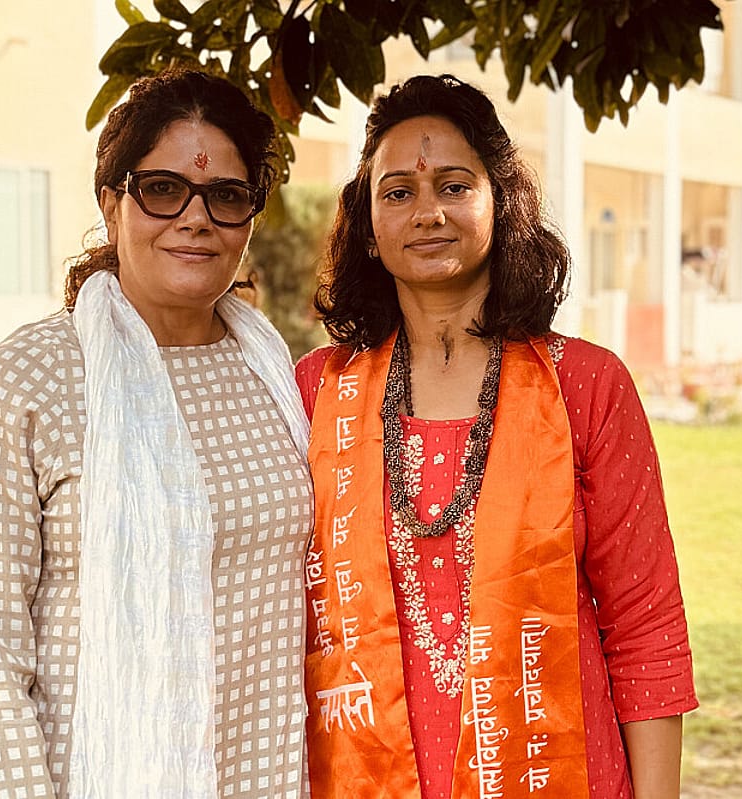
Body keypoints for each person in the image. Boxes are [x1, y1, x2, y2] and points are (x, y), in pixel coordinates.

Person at [295, 74, 697, 799]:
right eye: (398, 193)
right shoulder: (316, 390)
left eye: (454, 186)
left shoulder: (586, 386)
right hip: (357, 772)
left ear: (500, 199)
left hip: (563, 772)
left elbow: (646, 629)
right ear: (366, 223)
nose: (428, 213)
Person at [0, 70, 312, 799]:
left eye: (226, 197)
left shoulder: (276, 378)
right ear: (112, 203)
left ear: (250, 219)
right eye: (162, 189)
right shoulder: (30, 380)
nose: (195, 218)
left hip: (270, 774)